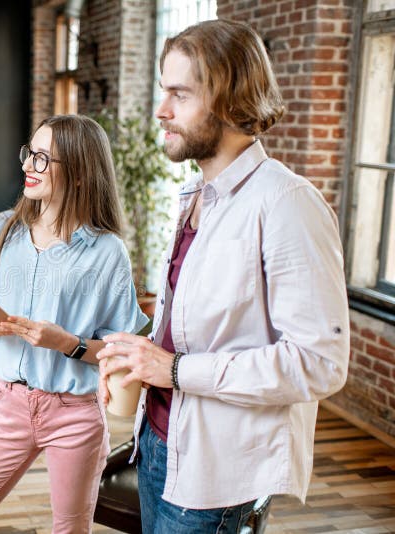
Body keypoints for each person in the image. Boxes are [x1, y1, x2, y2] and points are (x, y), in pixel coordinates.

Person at [97, 19, 350, 533]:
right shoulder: (195, 197)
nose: (161, 111)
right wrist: (143, 354)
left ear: (232, 101)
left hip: (216, 475)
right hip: (160, 441)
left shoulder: (286, 204)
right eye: (162, 91)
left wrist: (173, 370)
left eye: (179, 94)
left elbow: (320, 363)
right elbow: (199, 329)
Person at [0, 114, 148, 533]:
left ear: (77, 172)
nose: (26, 166)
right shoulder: (4, 229)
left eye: (42, 159)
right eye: (29, 154)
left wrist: (68, 343)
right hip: (9, 406)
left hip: (74, 414)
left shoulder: (106, 252)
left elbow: (121, 352)